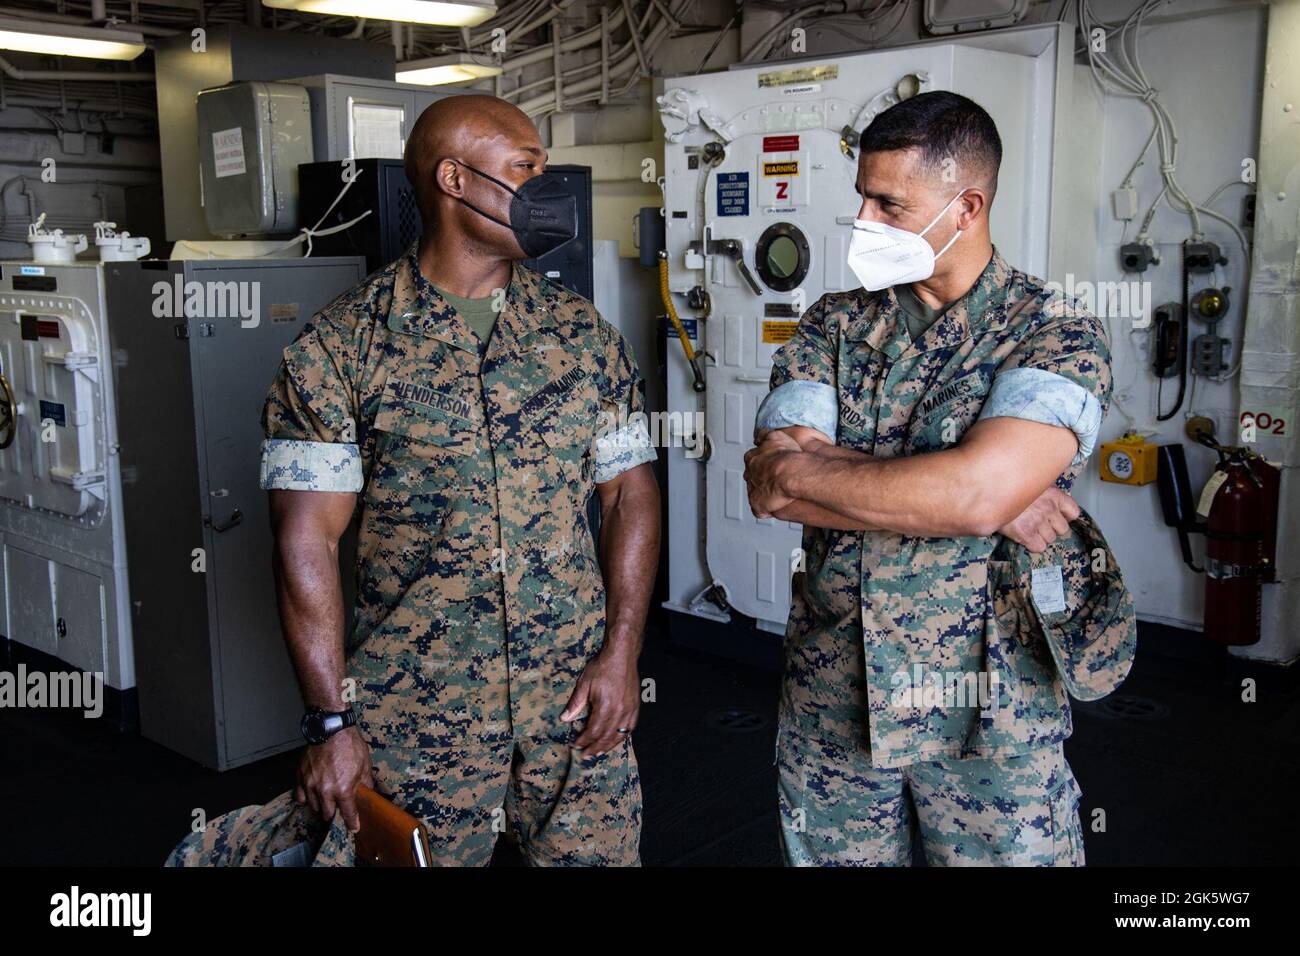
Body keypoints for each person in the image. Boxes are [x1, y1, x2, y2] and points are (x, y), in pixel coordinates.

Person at [256, 94, 660, 866]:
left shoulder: (582, 336)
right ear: (454, 179)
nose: (551, 189)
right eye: (527, 169)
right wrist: (331, 724)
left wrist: (622, 650)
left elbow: (629, 493)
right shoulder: (342, 347)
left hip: (572, 697)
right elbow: (306, 538)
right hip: (417, 712)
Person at [744, 91, 1112, 866]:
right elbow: (772, 484)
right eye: (863, 200)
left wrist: (978, 495)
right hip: (834, 693)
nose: (865, 223)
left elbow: (974, 494)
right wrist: (976, 495)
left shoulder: (1054, 330)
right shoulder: (833, 324)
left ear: (967, 205)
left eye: (890, 204)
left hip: (989, 708)